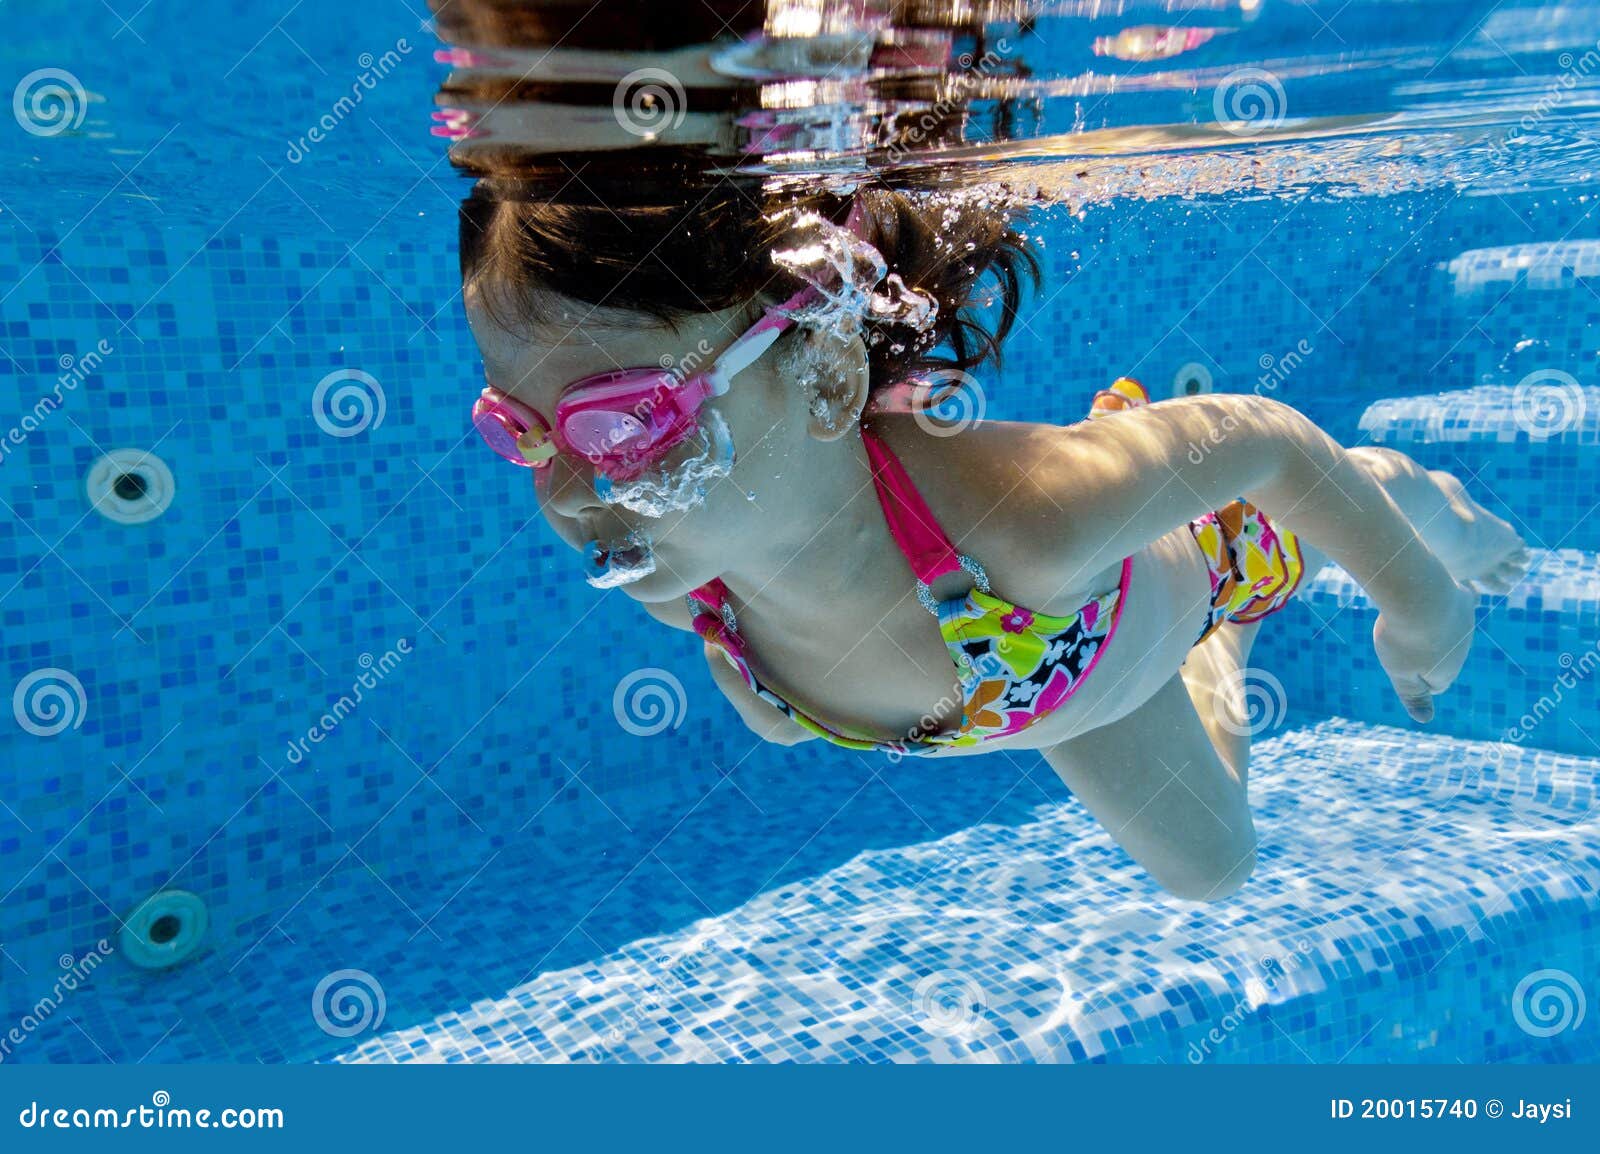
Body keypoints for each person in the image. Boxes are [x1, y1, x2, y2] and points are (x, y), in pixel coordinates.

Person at [460, 179, 1529, 901]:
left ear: (827, 376)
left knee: (1385, 505)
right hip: (1065, 685)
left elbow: (1271, 442)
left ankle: (1441, 510)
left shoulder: (1020, 523)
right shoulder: (681, 576)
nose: (568, 492)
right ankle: (1217, 650)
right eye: (521, 428)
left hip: (1200, 549)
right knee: (1215, 871)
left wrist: (1423, 608)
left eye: (626, 425)